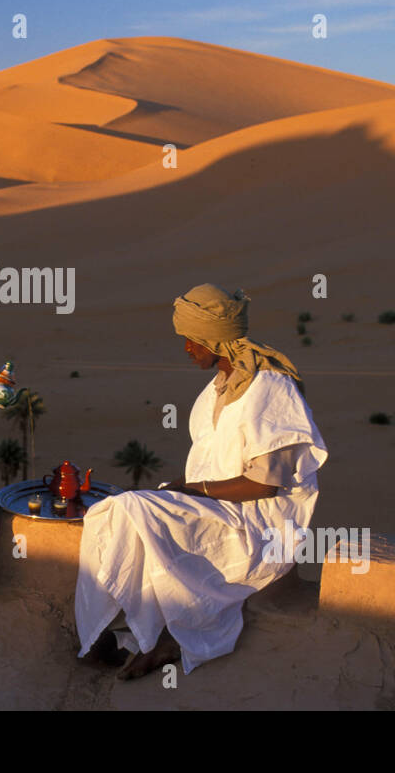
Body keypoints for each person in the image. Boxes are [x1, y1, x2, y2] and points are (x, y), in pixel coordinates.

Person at [76, 283, 328, 678]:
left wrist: (191, 491)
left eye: (192, 341)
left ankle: (168, 636)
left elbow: (263, 486)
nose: (187, 350)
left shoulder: (272, 389)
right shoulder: (217, 388)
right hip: (213, 505)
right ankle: (122, 628)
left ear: (214, 339)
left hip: (258, 526)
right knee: (116, 510)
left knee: (130, 508)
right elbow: (208, 466)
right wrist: (179, 488)